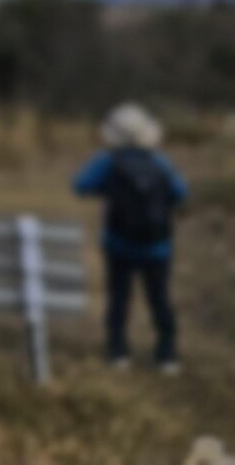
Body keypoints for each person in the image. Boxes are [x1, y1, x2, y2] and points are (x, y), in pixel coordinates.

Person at [73, 102, 188, 373]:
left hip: (118, 243)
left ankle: (118, 351)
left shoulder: (108, 161)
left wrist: (107, 189)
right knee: (159, 297)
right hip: (157, 246)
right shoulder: (159, 161)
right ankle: (167, 354)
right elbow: (181, 193)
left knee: (119, 297)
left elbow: (80, 185)